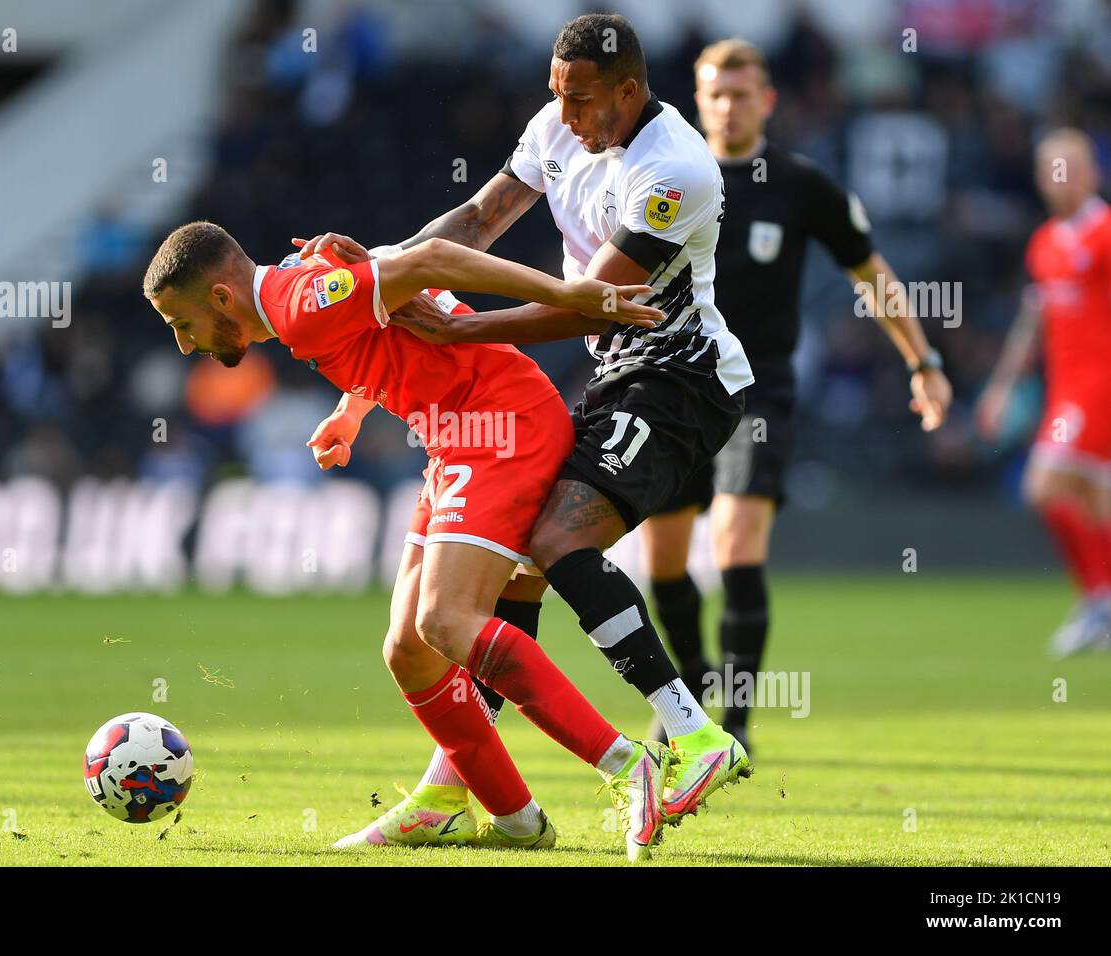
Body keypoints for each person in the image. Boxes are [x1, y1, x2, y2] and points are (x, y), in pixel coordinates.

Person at [320, 13, 754, 848]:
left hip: (681, 381)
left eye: (583, 100)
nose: (567, 114)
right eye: (556, 95)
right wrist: (381, 275)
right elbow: (479, 221)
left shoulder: (675, 171)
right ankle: (451, 790)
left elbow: (581, 301)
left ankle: (694, 734)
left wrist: (458, 331)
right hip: (620, 377)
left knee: (554, 539)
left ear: (628, 91)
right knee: (517, 563)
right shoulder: (558, 122)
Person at [143, 220, 677, 860]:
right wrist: (350, 410)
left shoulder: (298, 306)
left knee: (447, 620)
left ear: (223, 299)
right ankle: (503, 815)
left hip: (501, 424)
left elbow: (431, 260)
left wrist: (577, 297)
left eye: (182, 324)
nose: (183, 344)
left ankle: (626, 763)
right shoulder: (297, 300)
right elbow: (385, 317)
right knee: (409, 650)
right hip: (456, 435)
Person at [639, 38, 953, 753]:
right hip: (673, 388)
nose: (728, 106)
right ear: (698, 100)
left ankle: (739, 725)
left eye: (742, 93)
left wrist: (923, 361)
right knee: (664, 561)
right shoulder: (664, 180)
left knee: (737, 545)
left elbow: (871, 273)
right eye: (716, 93)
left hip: (757, 392)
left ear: (767, 101)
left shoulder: (802, 185)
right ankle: (689, 701)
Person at [978, 128, 1111, 657]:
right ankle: (1100, 602)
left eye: (1070, 167)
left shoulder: (1104, 233)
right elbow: (1033, 323)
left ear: (1092, 172)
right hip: (1065, 390)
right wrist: (1001, 387)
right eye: (1050, 169)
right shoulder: (1045, 243)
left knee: (1042, 487)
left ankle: (1099, 602)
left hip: (1098, 387)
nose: (1060, 179)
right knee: (1093, 504)